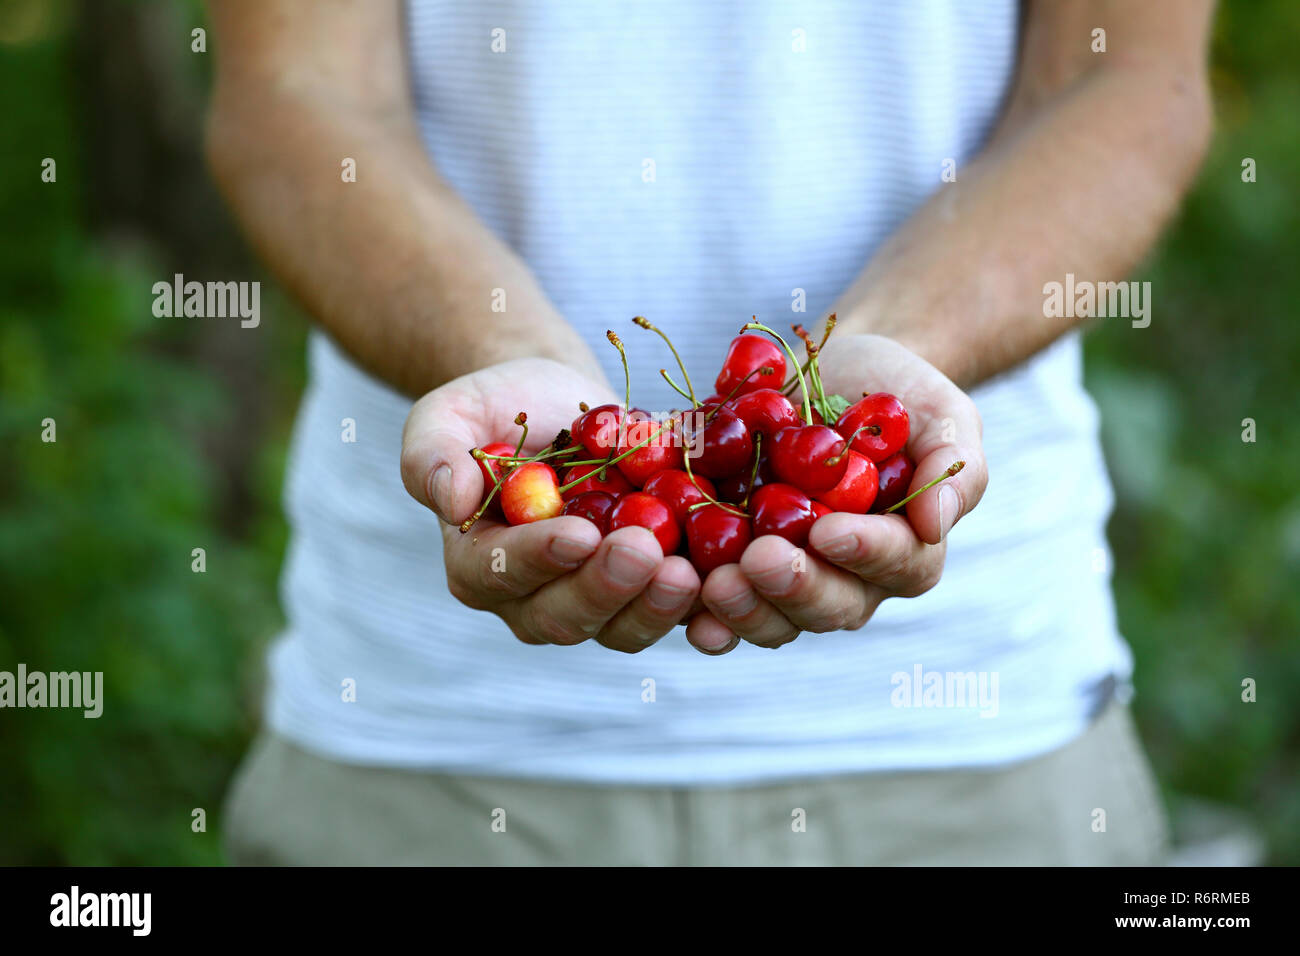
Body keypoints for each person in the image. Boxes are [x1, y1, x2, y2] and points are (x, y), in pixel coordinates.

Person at [207, 0, 1213, 865]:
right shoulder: (594, 469)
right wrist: (496, 344)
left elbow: (1122, 81)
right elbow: (297, 88)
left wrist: (893, 351)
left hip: (975, 745)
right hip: (427, 741)